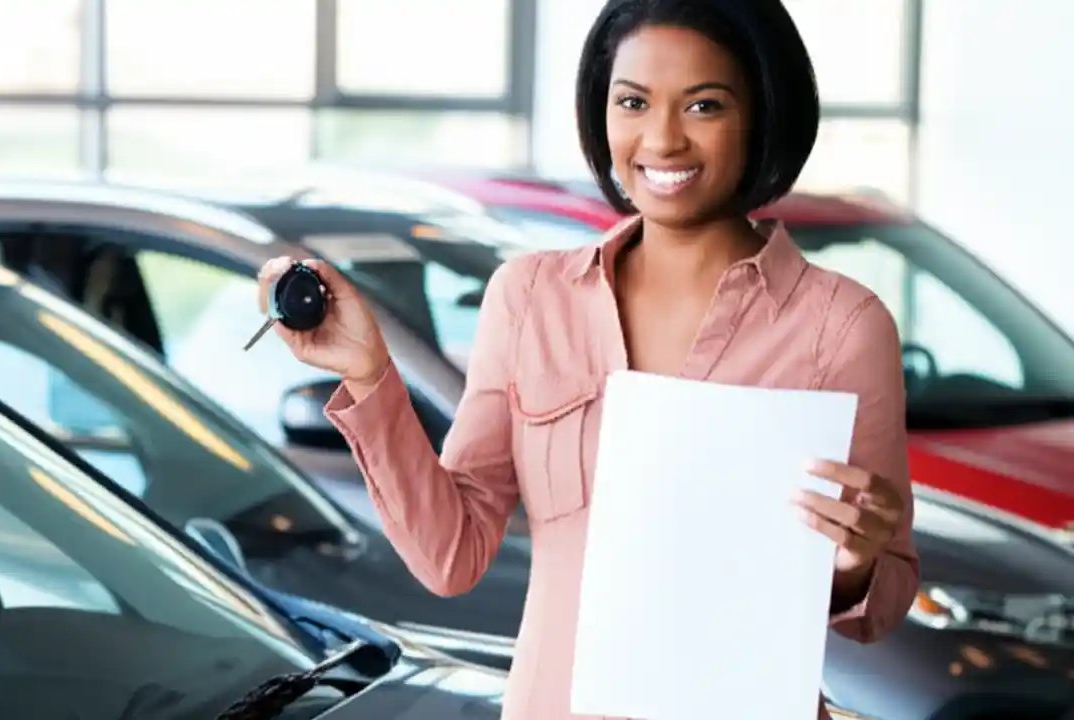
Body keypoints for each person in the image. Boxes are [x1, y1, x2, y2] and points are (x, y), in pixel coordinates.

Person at [255, 0, 919, 717]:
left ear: (762, 114)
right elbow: (451, 556)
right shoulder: (530, 298)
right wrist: (367, 374)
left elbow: (881, 603)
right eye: (633, 102)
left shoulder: (841, 327)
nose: (662, 139)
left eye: (704, 105)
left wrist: (853, 564)